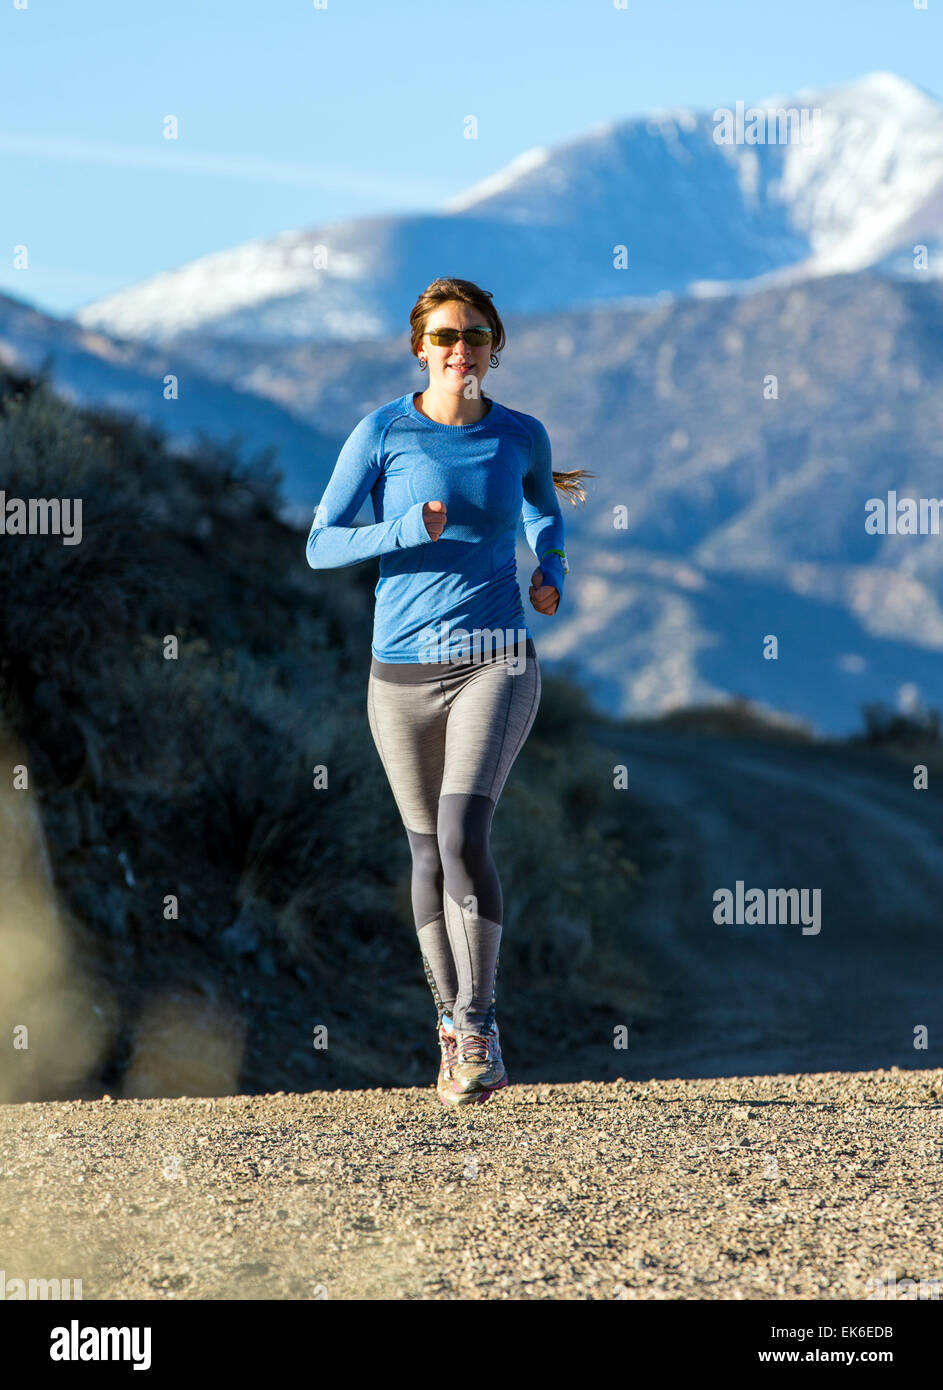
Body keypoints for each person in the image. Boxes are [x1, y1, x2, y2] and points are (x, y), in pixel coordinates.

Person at [305, 276, 592, 1106]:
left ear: (494, 347)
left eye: (472, 337)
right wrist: (403, 529)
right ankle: (447, 1028)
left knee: (464, 832)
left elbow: (544, 512)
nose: (457, 351)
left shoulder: (519, 435)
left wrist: (552, 570)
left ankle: (479, 1026)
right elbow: (321, 544)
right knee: (426, 850)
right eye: (442, 338)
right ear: (418, 348)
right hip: (397, 673)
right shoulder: (382, 431)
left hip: (494, 658)